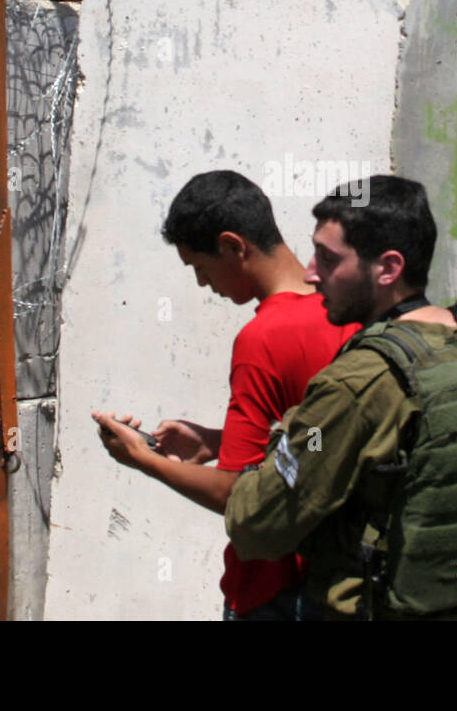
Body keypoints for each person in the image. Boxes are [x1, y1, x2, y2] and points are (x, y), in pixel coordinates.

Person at [224, 175, 457, 620]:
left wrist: (280, 441)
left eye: (327, 258)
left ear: (388, 268)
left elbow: (255, 527)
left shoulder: (362, 382)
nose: (309, 272)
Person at [93, 170, 359, 620]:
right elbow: (324, 440)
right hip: (343, 581)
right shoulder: (349, 309)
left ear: (234, 246)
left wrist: (144, 459)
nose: (202, 284)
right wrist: (217, 442)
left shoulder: (262, 341)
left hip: (277, 590)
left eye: (200, 267)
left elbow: (234, 495)